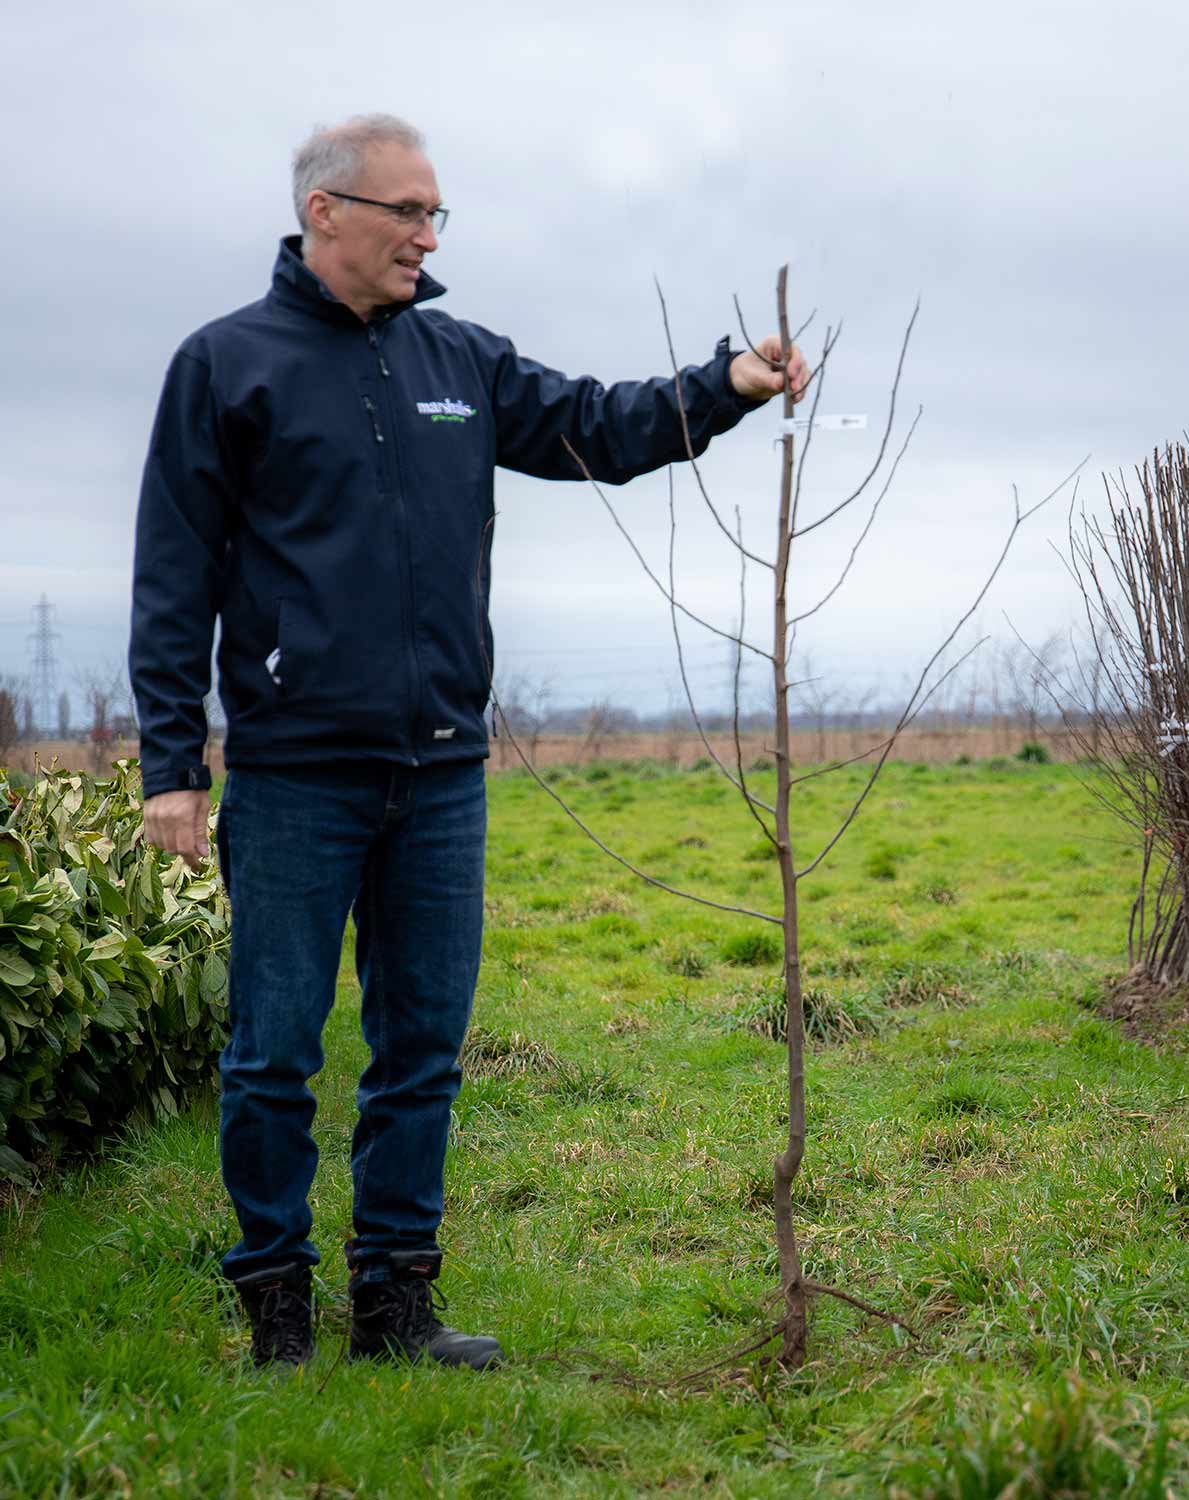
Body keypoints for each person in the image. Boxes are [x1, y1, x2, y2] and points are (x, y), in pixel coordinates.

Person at [129, 113, 806, 1370]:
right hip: (292, 775)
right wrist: (171, 765)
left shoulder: (459, 359)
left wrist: (721, 389)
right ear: (325, 212)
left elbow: (595, 426)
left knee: (422, 1051)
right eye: (407, 214)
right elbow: (174, 575)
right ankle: (276, 1307)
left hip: (441, 768)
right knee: (274, 1050)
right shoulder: (228, 365)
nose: (429, 237)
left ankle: (396, 1304)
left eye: (439, 216)